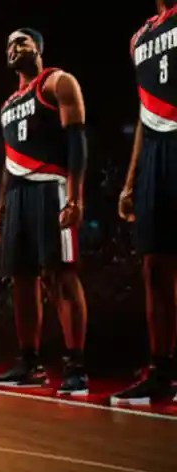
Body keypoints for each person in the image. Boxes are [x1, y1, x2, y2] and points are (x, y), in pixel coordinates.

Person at [0, 28, 90, 395]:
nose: (14, 47)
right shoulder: (7, 105)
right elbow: (8, 163)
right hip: (17, 195)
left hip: (52, 186)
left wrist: (75, 198)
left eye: (22, 42)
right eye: (9, 44)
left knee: (60, 276)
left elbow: (77, 141)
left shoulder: (57, 82)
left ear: (39, 48)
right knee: (22, 280)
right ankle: (28, 362)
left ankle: (76, 365)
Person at [114, 0, 177, 406]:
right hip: (155, 152)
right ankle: (162, 370)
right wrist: (131, 180)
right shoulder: (140, 38)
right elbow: (144, 111)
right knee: (155, 265)